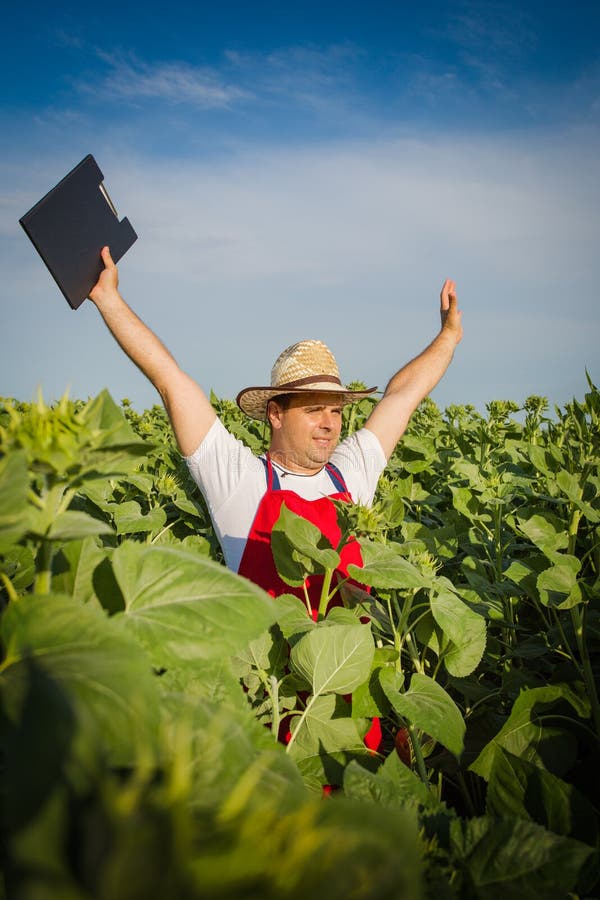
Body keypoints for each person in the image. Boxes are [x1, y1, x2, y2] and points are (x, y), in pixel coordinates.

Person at [89, 245, 463, 613]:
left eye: (335, 410)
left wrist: (447, 337)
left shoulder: (350, 473)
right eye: (314, 409)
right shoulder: (239, 479)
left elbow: (402, 396)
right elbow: (170, 380)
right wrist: (109, 299)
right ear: (275, 414)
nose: (330, 424)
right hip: (266, 672)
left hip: (347, 672)